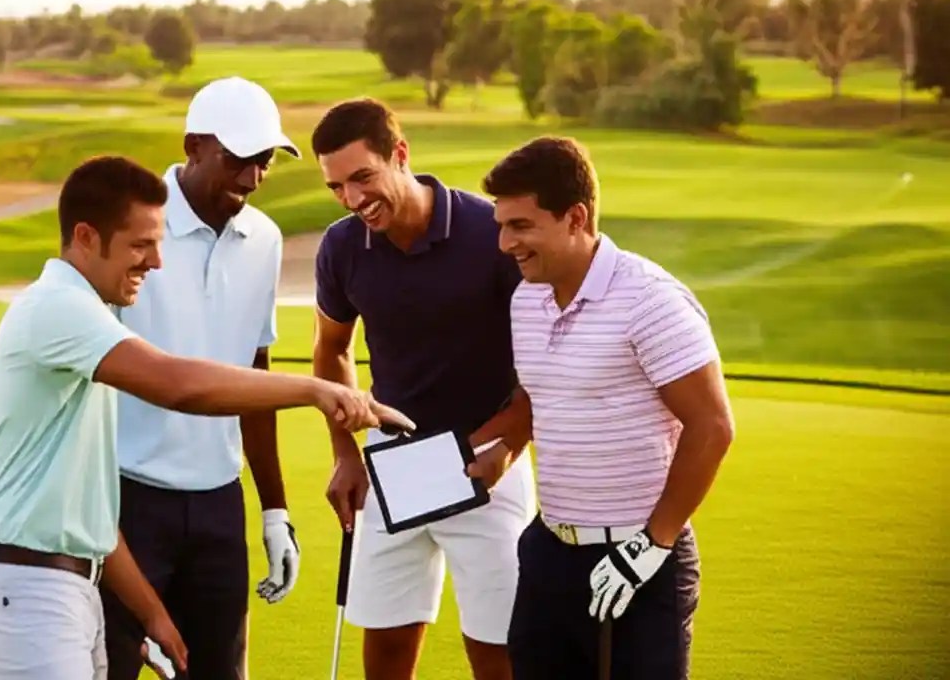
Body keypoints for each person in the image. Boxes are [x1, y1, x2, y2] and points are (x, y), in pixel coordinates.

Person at [0, 155, 414, 680]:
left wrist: (155, 615)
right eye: (140, 245)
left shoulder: (92, 323)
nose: (156, 263)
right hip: (30, 592)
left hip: (68, 589)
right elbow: (179, 385)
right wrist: (317, 390)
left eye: (158, 243)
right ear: (85, 237)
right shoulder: (58, 309)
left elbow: (96, 525)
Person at [468, 135, 735, 679]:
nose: (504, 243)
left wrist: (652, 544)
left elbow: (711, 427)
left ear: (575, 217)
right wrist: (505, 449)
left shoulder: (650, 300)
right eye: (500, 225)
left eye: (520, 226)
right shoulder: (528, 298)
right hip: (551, 553)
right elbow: (541, 398)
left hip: (641, 559)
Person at [310, 97, 538, 680]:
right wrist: (346, 455)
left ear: (400, 155)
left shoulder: (488, 233)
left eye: (363, 177)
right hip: (394, 464)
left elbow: (545, 361)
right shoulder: (340, 247)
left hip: (486, 462)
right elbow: (332, 349)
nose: (353, 200)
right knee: (385, 648)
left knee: (498, 650)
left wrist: (508, 443)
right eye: (337, 187)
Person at [101, 76, 303, 680]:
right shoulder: (132, 226)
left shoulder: (263, 238)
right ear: (193, 147)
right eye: (238, 160)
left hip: (219, 504)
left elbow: (254, 374)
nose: (252, 178)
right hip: (127, 500)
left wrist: (274, 510)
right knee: (110, 668)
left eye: (264, 162)